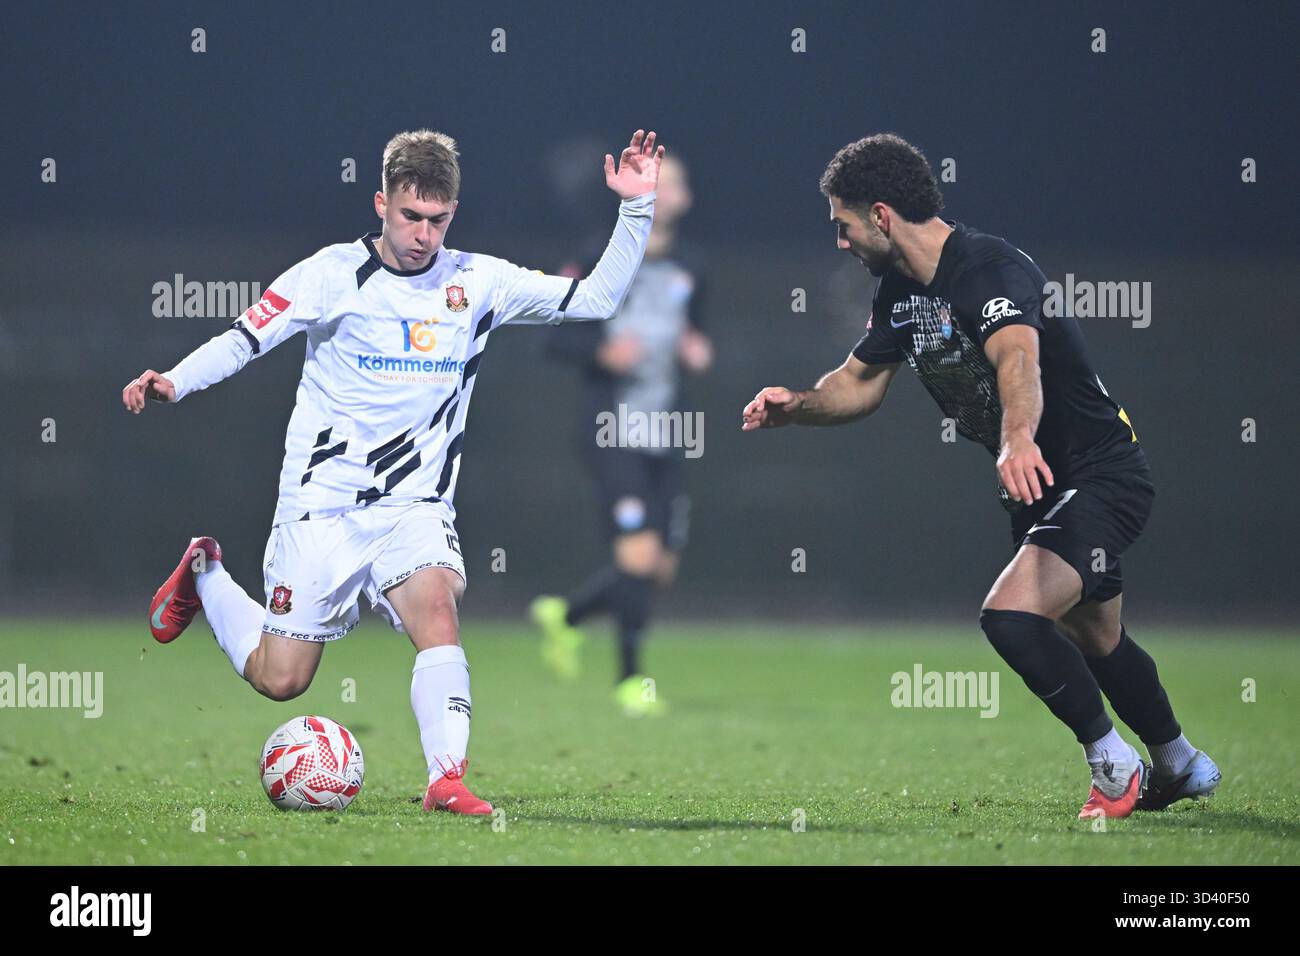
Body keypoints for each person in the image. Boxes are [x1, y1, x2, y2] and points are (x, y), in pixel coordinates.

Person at [122, 128, 664, 814]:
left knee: (438, 610)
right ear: (381, 203)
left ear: (452, 215)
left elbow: (595, 300)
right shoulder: (330, 275)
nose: (423, 234)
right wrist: (175, 380)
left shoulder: (477, 281)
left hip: (414, 506)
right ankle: (205, 572)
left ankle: (446, 780)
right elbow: (245, 337)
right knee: (282, 679)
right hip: (320, 507)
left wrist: (637, 208)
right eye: (411, 216)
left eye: (438, 220)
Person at [742, 133, 1219, 818]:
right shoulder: (901, 289)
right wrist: (800, 405)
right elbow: (858, 383)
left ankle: (1114, 768)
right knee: (1095, 636)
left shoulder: (987, 267)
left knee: (1010, 617)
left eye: (842, 224)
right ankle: (1180, 762)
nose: (840, 241)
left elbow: (1017, 360)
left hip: (1097, 471)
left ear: (880, 214)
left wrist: (1016, 439)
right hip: (1042, 483)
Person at [530, 155, 710, 716]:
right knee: (638, 556)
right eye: (665, 182)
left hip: (667, 429)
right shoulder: (597, 256)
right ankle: (631, 681)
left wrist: (695, 348)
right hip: (613, 429)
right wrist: (602, 352)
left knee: (658, 568)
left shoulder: (693, 267)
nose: (673, 191)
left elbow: (692, 332)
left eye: (678, 182)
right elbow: (553, 335)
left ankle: (566, 615)